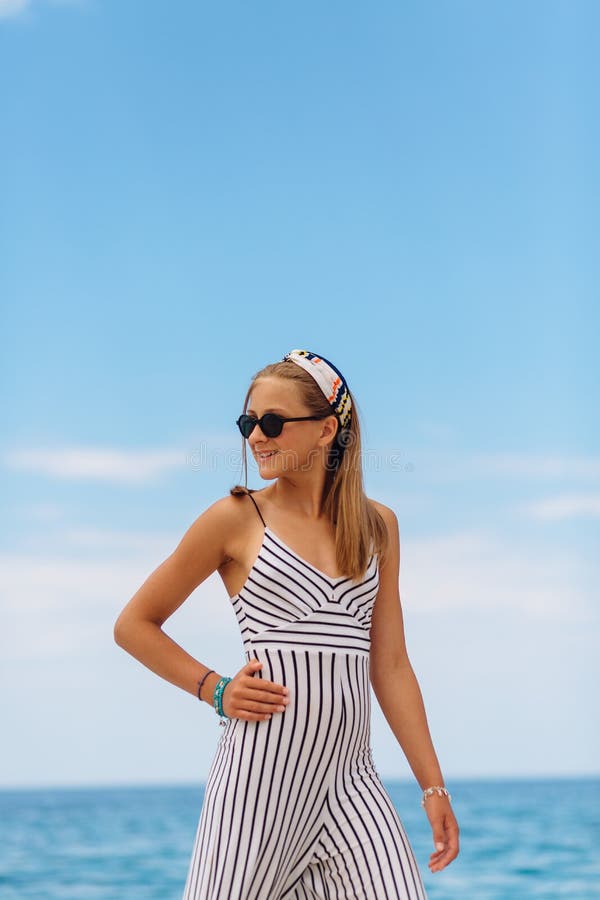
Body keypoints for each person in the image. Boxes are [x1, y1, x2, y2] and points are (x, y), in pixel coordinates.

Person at [114, 348, 459, 899]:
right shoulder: (235, 517)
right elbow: (134, 623)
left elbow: (390, 664)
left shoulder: (378, 528)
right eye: (248, 423)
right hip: (257, 787)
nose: (255, 437)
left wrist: (432, 786)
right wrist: (215, 689)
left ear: (326, 430)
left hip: (352, 786)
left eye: (272, 423)